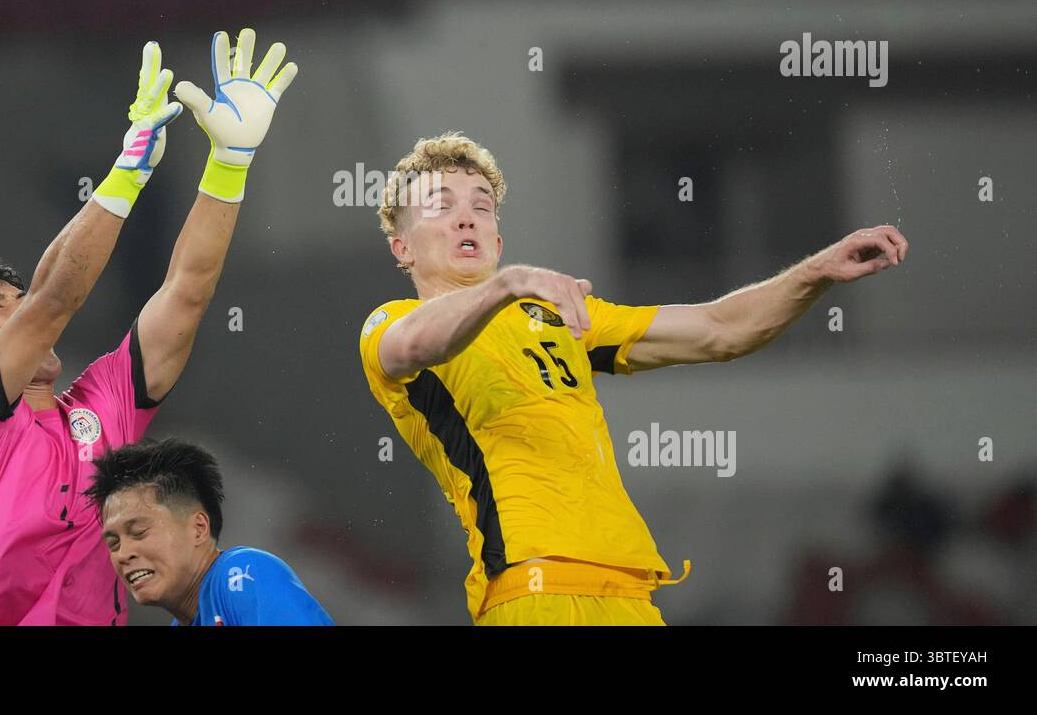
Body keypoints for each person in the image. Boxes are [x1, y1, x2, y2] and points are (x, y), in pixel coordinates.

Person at [358, 131, 909, 625]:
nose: (466, 217)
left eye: (482, 207)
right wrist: (508, 285)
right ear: (401, 248)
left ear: (498, 243)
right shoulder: (393, 323)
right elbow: (418, 343)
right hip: (535, 593)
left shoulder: (555, 316)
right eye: (440, 205)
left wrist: (816, 271)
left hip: (630, 593)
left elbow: (719, 329)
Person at [0, 29, 297, 624]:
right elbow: (56, 295)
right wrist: (128, 169)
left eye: (18, 296)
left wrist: (228, 164)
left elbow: (184, 296)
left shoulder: (98, 407)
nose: (21, 308)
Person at [87, 438, 334, 626]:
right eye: (114, 543)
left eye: (139, 532)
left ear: (198, 528)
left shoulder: (241, 575)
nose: (123, 554)